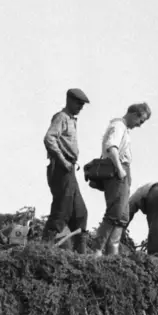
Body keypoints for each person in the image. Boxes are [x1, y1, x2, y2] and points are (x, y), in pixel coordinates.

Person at [90, 102, 151, 257]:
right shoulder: (118, 126)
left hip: (123, 171)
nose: (139, 125)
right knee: (115, 211)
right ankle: (97, 250)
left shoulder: (124, 129)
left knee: (123, 215)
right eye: (140, 120)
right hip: (116, 170)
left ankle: (113, 254)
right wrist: (120, 169)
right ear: (134, 114)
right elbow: (111, 147)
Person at [42, 88, 90, 251]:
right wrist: (62, 160)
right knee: (62, 210)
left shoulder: (71, 120)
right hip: (61, 168)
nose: (80, 107)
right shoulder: (61, 117)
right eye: (78, 103)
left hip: (69, 169)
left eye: (82, 105)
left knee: (80, 213)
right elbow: (49, 138)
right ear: (68, 100)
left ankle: (80, 256)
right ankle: (44, 249)